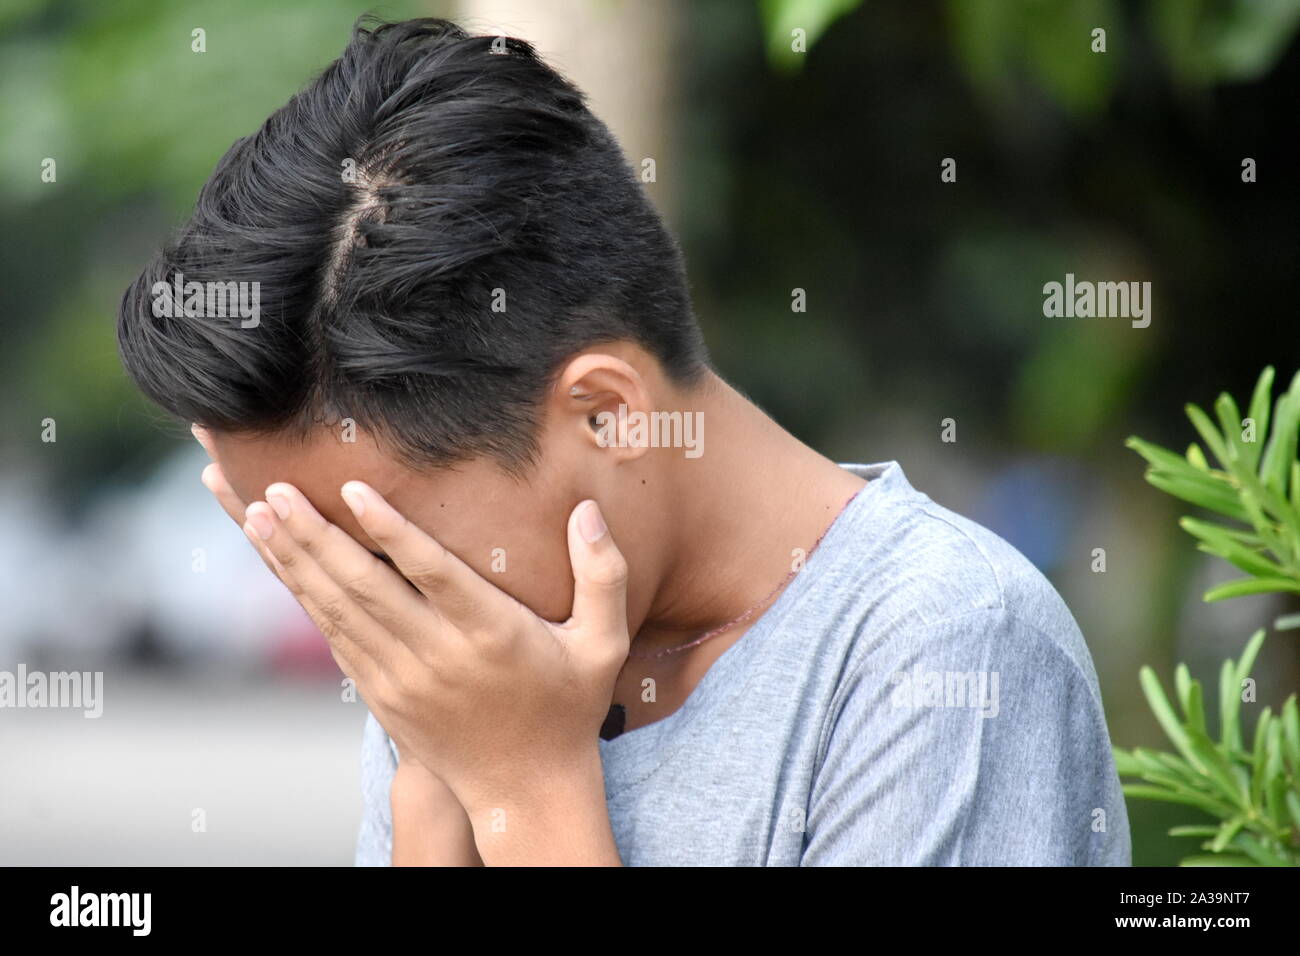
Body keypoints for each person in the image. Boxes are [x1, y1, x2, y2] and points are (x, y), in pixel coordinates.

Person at [117, 16, 1131, 866]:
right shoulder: (467, 665)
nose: (361, 604)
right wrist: (435, 802)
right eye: (302, 556)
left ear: (608, 412)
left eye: (377, 548)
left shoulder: (936, 653)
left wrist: (526, 786)